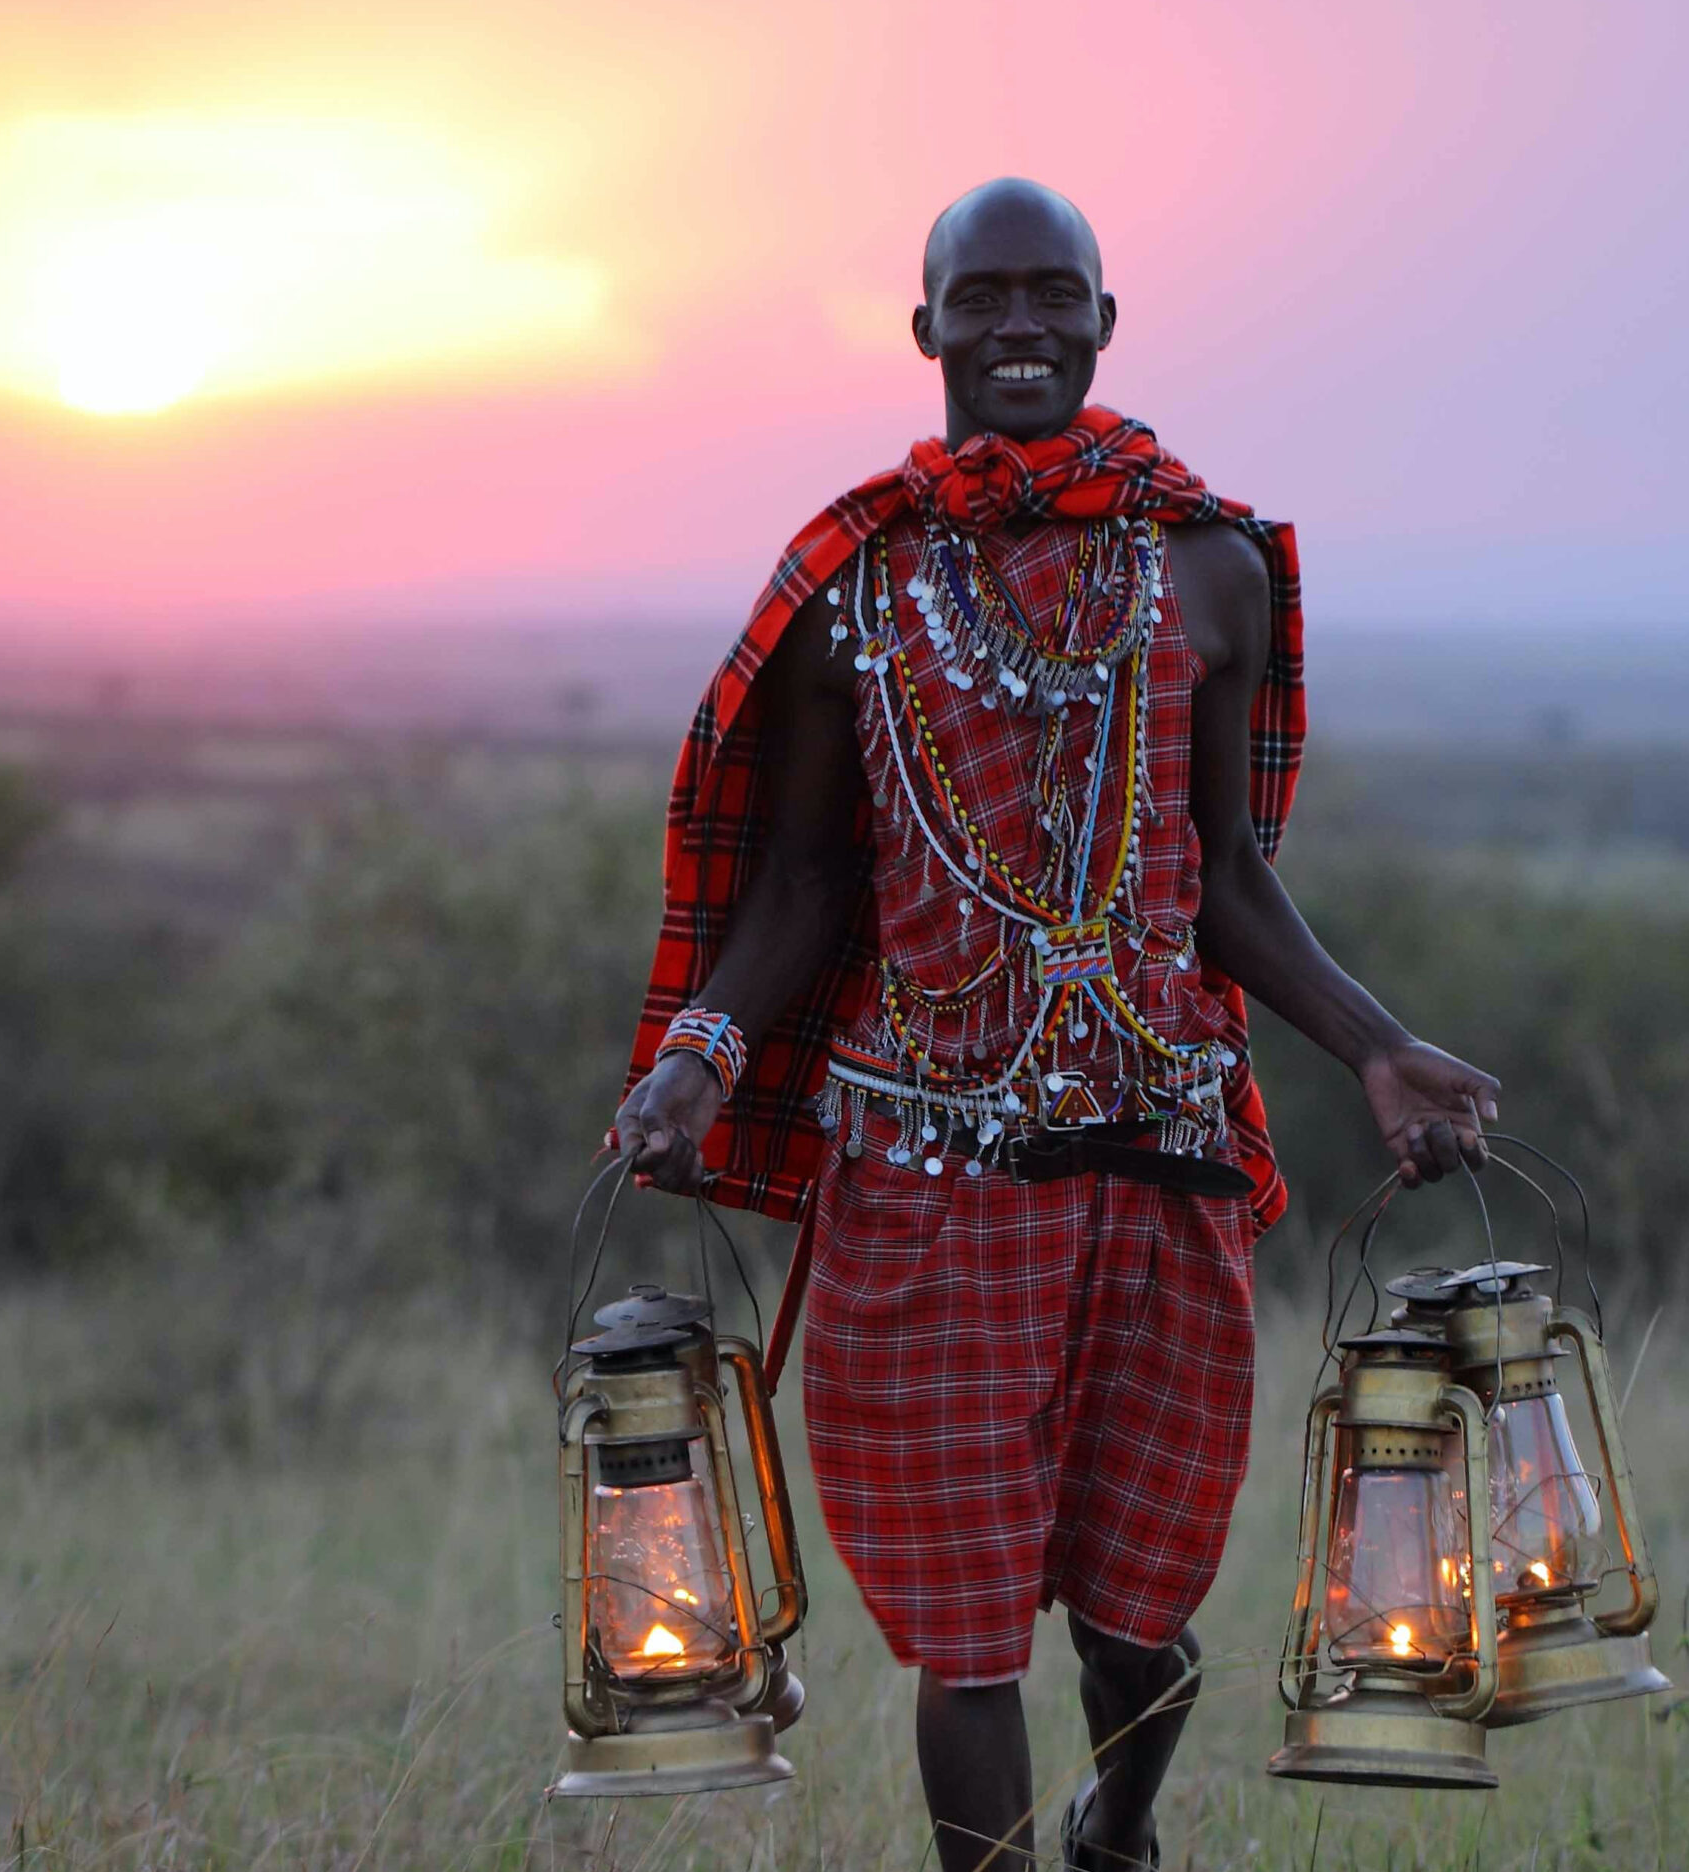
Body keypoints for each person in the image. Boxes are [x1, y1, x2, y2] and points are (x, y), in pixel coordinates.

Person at [613, 179, 1499, 1870]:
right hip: (925, 1177)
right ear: (926, 323)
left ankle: (1119, 1829)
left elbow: (1222, 875)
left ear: (1104, 322)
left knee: (1139, 1612)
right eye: (984, 296)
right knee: (965, 1629)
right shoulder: (850, 578)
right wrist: (694, 1054)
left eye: (1052, 296)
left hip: (1156, 1162)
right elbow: (802, 886)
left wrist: (1372, 1043)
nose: (1018, 326)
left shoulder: (1208, 563)